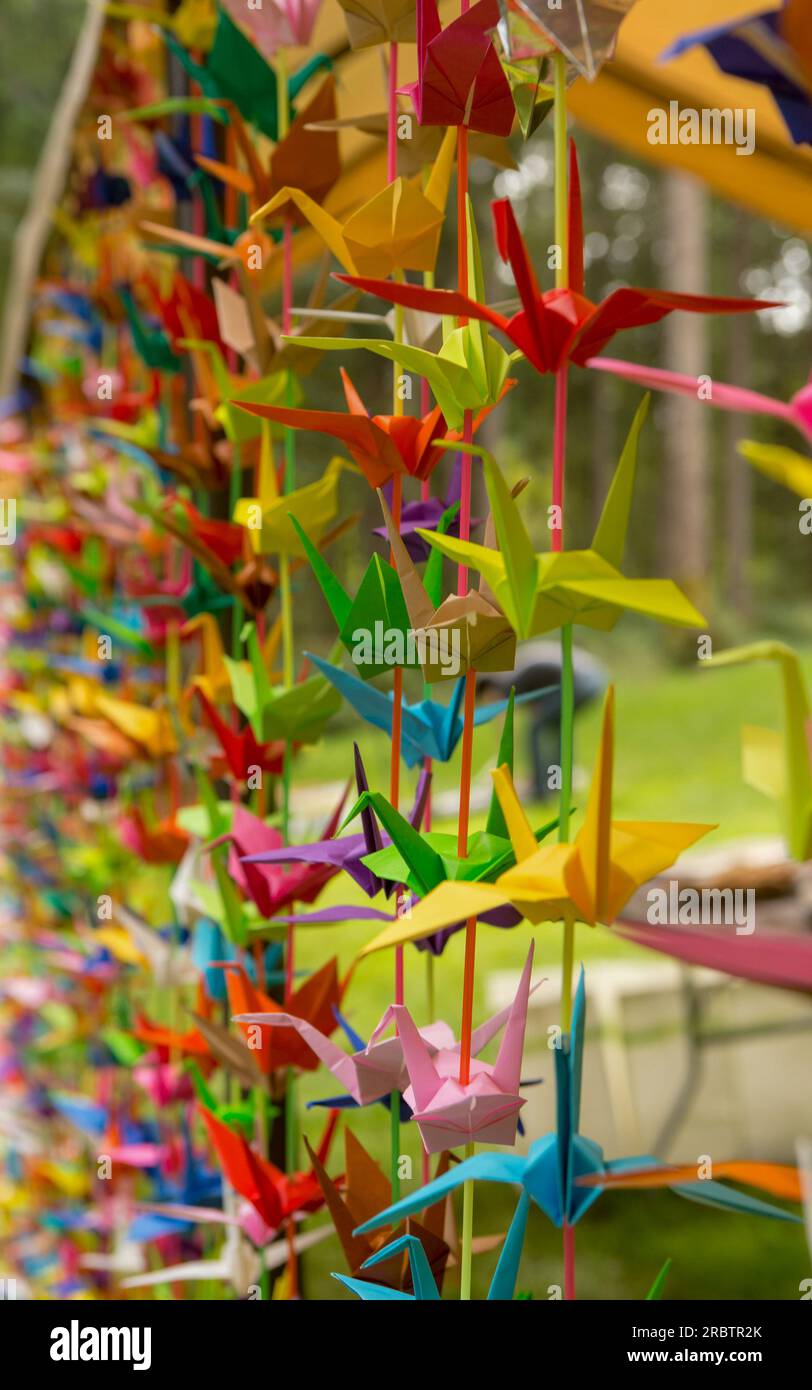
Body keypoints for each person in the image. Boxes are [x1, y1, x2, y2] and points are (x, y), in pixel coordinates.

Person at [477, 640, 607, 800]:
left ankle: (539, 788)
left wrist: (504, 751)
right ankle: (559, 783)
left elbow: (508, 724)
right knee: (557, 730)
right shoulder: (514, 673)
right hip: (593, 679)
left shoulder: (508, 681)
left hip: (579, 682)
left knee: (535, 730)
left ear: (489, 688)